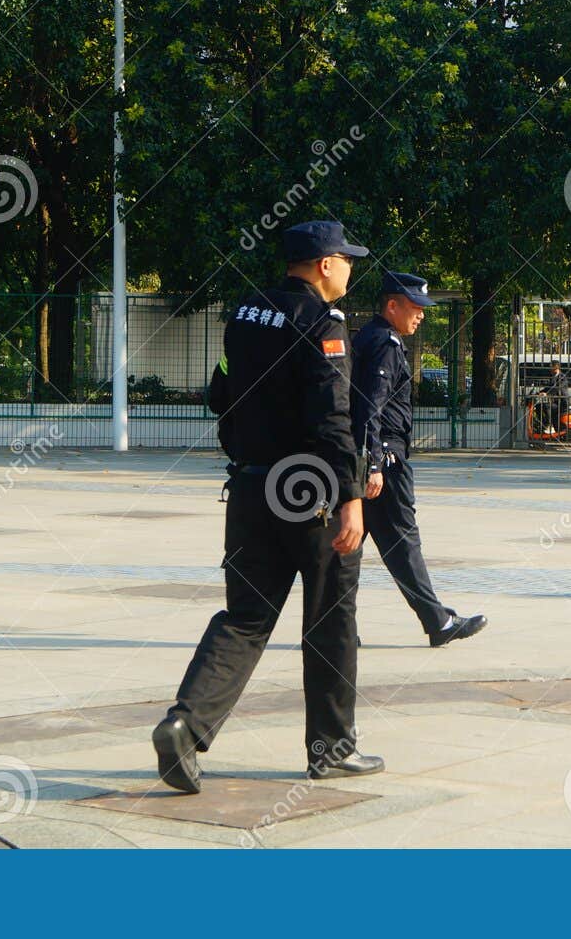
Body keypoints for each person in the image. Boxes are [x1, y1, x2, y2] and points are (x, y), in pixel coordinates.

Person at [152, 220, 382, 794]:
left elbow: (219, 396)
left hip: (252, 490)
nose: (352, 269)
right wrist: (351, 496)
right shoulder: (323, 322)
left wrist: (252, 457)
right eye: (347, 259)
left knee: (245, 619)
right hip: (311, 496)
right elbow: (333, 416)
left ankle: (185, 724)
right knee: (330, 622)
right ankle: (331, 751)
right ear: (325, 264)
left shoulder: (245, 314)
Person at [352, 272, 487, 647]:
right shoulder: (385, 343)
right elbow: (370, 406)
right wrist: (375, 463)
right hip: (386, 462)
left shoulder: (367, 337)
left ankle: (331, 628)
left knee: (347, 548)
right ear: (392, 305)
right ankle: (438, 622)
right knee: (402, 544)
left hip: (370, 457)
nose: (422, 315)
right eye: (415, 307)